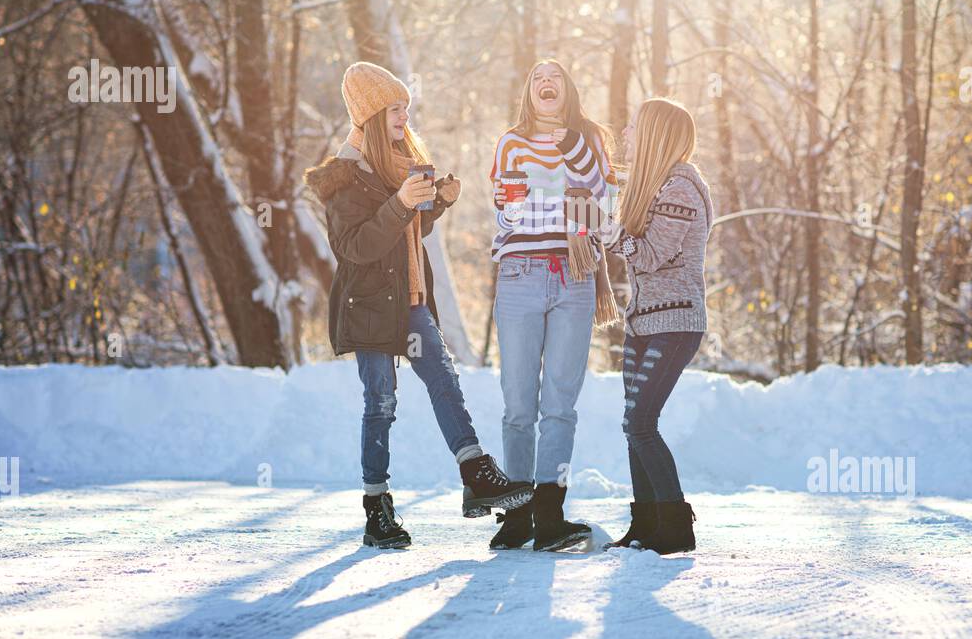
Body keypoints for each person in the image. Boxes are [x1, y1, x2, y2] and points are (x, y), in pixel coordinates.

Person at [304, 61, 531, 549]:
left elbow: (405, 235)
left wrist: (437, 203)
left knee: (445, 380)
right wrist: (402, 203)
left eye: (406, 106)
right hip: (367, 307)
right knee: (381, 401)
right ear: (370, 114)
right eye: (393, 108)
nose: (403, 115)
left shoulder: (398, 165)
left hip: (409, 302)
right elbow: (357, 248)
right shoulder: (344, 178)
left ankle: (476, 475)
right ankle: (377, 509)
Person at [487, 59, 619, 551]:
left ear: (567, 90)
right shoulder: (510, 142)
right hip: (520, 275)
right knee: (519, 404)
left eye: (555, 76)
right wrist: (569, 204)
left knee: (561, 405)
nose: (546, 81)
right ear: (529, 91)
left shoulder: (588, 143)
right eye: (537, 76)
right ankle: (517, 515)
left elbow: (604, 214)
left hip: (575, 277)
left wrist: (571, 170)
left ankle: (550, 515)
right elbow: (509, 215)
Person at [591, 97, 711, 555]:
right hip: (644, 321)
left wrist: (608, 234)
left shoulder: (680, 186)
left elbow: (652, 254)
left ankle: (676, 527)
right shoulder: (659, 185)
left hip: (676, 321)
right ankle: (644, 527)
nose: (626, 134)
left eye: (635, 127)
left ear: (658, 134)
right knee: (633, 422)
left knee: (642, 421)